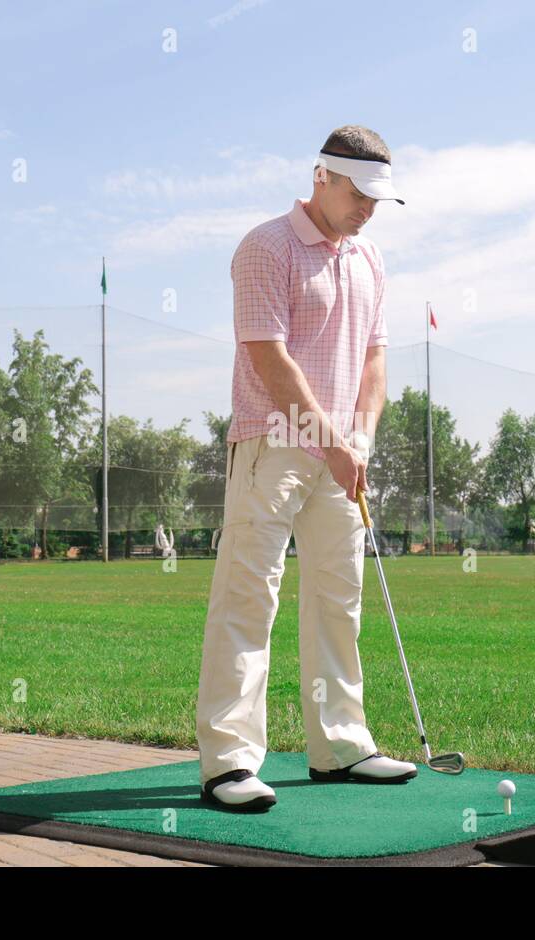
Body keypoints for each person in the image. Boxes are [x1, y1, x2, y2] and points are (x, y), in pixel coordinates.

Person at [196, 126, 418, 811]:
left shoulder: (370, 259)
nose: (369, 209)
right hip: (274, 445)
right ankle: (229, 763)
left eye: (380, 198)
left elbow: (375, 359)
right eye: (360, 193)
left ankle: (342, 746)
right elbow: (268, 358)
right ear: (323, 176)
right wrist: (330, 439)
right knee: (248, 597)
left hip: (341, 453)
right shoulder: (266, 247)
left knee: (338, 598)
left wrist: (362, 439)